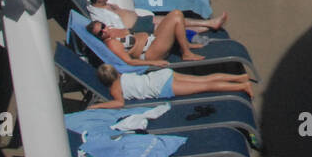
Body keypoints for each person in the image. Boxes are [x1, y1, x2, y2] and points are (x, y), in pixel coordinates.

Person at [86, 0, 227, 34]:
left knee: (172, 19)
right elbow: (114, 30)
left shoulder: (105, 5)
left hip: (141, 19)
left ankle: (207, 25)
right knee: (173, 24)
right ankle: (208, 26)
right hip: (138, 27)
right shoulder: (99, 16)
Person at [90, 63, 255, 106]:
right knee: (204, 79)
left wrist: (97, 106)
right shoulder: (123, 76)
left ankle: (241, 86)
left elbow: (119, 103)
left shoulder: (115, 89)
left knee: (205, 86)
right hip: (162, 75)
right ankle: (239, 77)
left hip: (162, 87)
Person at [86, 15, 206, 65]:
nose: (104, 31)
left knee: (176, 15)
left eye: (102, 27)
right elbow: (129, 61)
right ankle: (186, 53)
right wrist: (153, 63)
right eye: (100, 33)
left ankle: (186, 45)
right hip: (150, 52)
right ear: (98, 37)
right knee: (175, 16)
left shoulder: (112, 31)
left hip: (153, 40)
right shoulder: (112, 43)